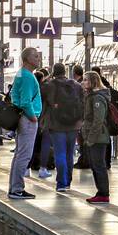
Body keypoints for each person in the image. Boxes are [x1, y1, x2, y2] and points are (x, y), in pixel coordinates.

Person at [42, 61, 84, 192]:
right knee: (69, 154)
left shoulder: (50, 85)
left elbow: (42, 97)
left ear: (54, 72)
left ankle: (61, 182)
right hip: (74, 125)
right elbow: (82, 104)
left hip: (56, 125)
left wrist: (49, 76)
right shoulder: (77, 86)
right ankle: (68, 182)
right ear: (65, 71)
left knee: (59, 153)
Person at [8, 46, 42, 200]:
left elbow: (15, 96)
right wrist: (33, 117)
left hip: (22, 118)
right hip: (28, 119)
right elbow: (25, 101)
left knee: (19, 154)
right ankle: (17, 189)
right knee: (24, 155)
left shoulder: (20, 74)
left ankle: (14, 188)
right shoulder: (28, 76)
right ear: (27, 59)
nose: (38, 58)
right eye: (35, 56)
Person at [80, 71, 112, 203]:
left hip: (98, 138)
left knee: (99, 165)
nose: (83, 82)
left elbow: (98, 120)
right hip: (93, 136)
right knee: (95, 165)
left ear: (93, 81)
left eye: (86, 80)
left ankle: (103, 194)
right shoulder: (90, 96)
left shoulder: (97, 98)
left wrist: (90, 139)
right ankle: (101, 192)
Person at [32, 68, 52, 179]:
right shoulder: (45, 89)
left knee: (32, 144)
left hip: (32, 118)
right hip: (44, 120)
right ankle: (42, 168)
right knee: (45, 144)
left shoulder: (32, 89)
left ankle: (27, 168)